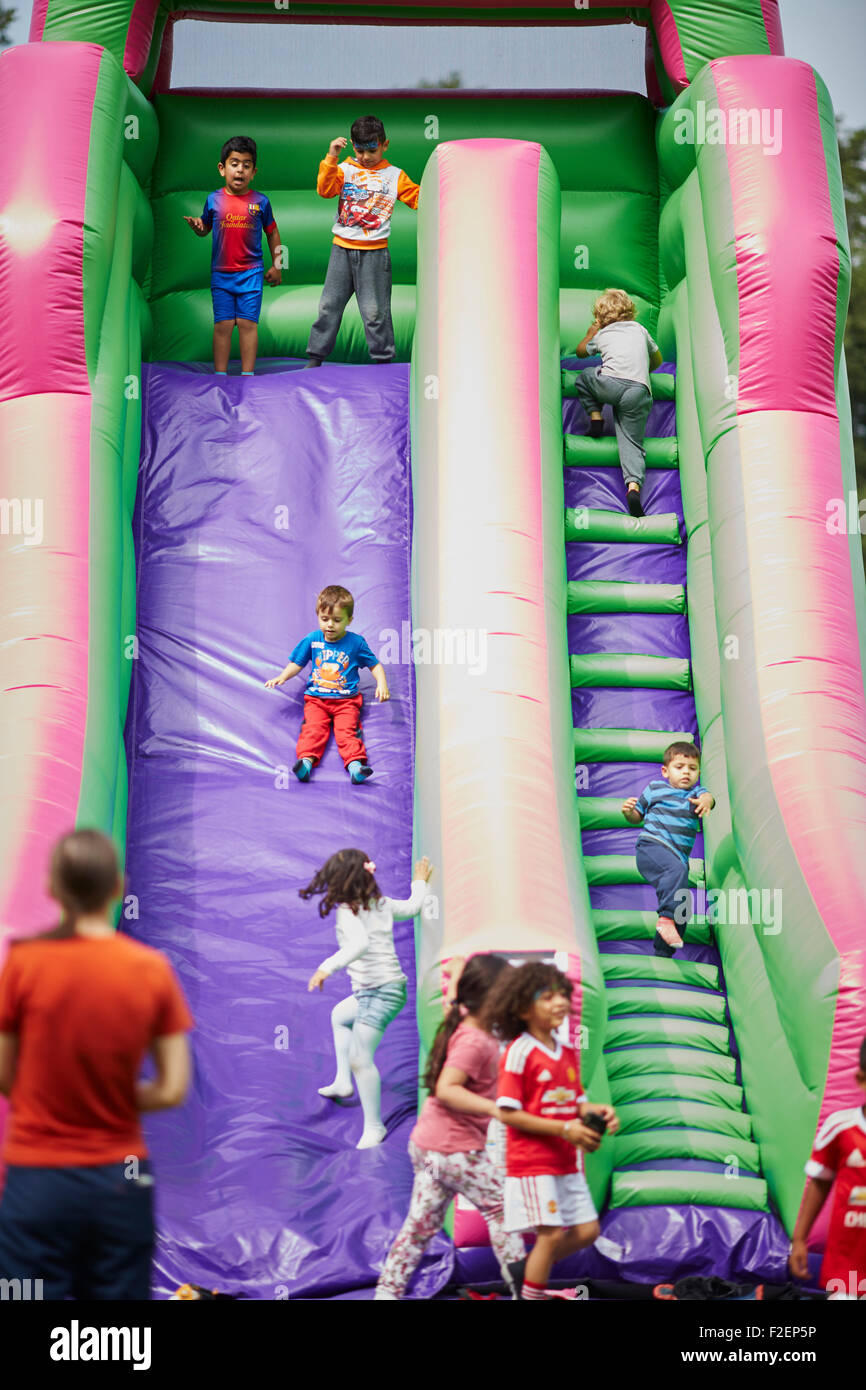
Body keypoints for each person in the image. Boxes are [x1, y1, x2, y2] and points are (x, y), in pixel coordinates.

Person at [0, 830, 194, 1300]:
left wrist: (57, 1092)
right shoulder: (149, 970)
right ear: (117, 887)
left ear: (53, 889)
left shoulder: (23, 965)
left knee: (23, 1296)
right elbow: (171, 1089)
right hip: (120, 1177)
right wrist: (106, 1095)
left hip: (35, 1180)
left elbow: (6, 1075)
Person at [374, 954, 525, 1300]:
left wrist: (457, 971)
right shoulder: (475, 1040)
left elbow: (453, 998)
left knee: (419, 1228)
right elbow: (446, 1088)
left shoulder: (463, 1017)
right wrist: (496, 1109)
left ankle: (387, 1293)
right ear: (489, 1000)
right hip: (455, 1152)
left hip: (428, 1149)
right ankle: (524, 1291)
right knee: (504, 1209)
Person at [483, 961, 618, 1301]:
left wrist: (597, 1112)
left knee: (587, 1231)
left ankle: (527, 1270)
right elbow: (508, 1113)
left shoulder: (567, 1051)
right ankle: (530, 1293)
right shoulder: (519, 1052)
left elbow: (578, 1102)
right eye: (547, 997)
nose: (559, 1003)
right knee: (551, 1235)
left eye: (562, 995)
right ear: (522, 1008)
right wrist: (565, 1128)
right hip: (533, 1162)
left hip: (565, 1161)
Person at [302, 850, 433, 1149]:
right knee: (339, 1015)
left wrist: (326, 968)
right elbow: (413, 907)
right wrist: (420, 884)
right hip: (377, 990)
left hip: (382, 992)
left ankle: (375, 1127)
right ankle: (343, 1081)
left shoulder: (348, 912)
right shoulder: (380, 904)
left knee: (361, 1058)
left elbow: (358, 944)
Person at [306, 115, 420, 367]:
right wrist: (331, 156)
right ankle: (315, 357)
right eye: (360, 150)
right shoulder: (345, 170)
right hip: (342, 251)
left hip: (374, 254)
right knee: (328, 306)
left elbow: (417, 198)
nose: (366, 156)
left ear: (384, 145)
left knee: (374, 311)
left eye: (372, 150)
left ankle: (383, 360)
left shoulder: (395, 176)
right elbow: (324, 190)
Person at [265, 584, 389, 784]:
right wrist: (282, 676)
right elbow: (297, 663)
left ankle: (355, 767)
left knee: (348, 733)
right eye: (324, 619)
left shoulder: (356, 643)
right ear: (318, 617)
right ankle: (305, 762)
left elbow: (375, 666)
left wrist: (381, 684)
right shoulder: (313, 639)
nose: (329, 625)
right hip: (317, 700)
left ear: (349, 620)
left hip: (346, 702)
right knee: (312, 730)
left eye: (337, 620)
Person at [184, 136, 282, 375]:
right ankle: (220, 375)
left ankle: (247, 374)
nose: (240, 170)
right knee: (224, 325)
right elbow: (206, 227)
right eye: (234, 163)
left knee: (248, 324)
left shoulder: (261, 202)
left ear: (254, 171)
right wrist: (199, 227)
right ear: (222, 168)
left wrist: (278, 265)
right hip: (222, 274)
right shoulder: (213, 200)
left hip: (251, 274)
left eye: (246, 165)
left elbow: (273, 232)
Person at [572, 288, 663, 517]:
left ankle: (595, 415)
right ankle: (633, 486)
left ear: (600, 319)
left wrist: (590, 333)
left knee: (584, 378)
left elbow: (581, 352)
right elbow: (658, 359)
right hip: (640, 391)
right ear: (631, 312)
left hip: (609, 385)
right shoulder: (640, 330)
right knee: (632, 442)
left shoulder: (603, 334)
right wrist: (643, 371)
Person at [621, 740, 714, 957]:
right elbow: (637, 817)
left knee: (683, 906)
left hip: (677, 858)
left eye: (692, 769)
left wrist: (707, 801)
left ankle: (663, 953)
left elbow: (708, 797)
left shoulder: (697, 794)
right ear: (665, 771)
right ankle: (665, 918)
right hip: (651, 848)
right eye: (679, 767)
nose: (686, 773)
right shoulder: (655, 789)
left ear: (699, 772)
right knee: (678, 872)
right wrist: (628, 812)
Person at [790, 1037, 866, 1300]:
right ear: (861, 1079)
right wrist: (799, 1239)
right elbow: (820, 1182)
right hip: (847, 1263)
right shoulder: (841, 1127)